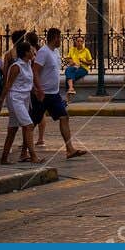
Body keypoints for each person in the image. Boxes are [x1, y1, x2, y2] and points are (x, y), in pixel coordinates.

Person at [34, 28, 87, 159]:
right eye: (59, 38)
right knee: (31, 123)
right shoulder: (43, 52)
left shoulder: (56, 52)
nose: (61, 40)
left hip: (54, 94)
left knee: (64, 117)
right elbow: (35, 71)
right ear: (55, 38)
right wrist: (38, 89)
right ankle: (25, 152)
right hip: (43, 94)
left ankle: (70, 149)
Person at [0, 38, 42, 165]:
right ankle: (33, 156)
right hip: (15, 98)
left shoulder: (28, 64)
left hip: (24, 98)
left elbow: (28, 81)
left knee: (13, 128)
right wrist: (0, 103)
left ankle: (4, 158)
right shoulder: (16, 66)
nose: (33, 52)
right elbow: (8, 85)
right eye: (30, 50)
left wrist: (34, 90)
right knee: (28, 125)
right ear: (25, 52)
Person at [64, 31, 93, 96]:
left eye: (81, 41)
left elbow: (90, 62)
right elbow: (68, 58)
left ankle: (69, 91)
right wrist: (71, 61)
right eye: (78, 41)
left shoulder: (86, 51)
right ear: (75, 42)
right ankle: (71, 89)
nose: (79, 43)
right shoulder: (72, 49)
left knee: (68, 76)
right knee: (68, 70)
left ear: (83, 42)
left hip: (83, 68)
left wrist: (83, 61)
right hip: (74, 67)